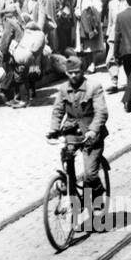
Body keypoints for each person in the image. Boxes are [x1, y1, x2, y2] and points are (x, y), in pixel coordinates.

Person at [46, 57, 109, 228]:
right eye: (70, 73)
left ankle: (98, 205)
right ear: (66, 73)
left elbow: (101, 112)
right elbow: (58, 110)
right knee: (67, 159)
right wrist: (53, 129)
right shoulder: (63, 89)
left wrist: (93, 130)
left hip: (91, 133)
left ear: (83, 72)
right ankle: (72, 193)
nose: (74, 76)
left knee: (90, 174)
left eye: (77, 72)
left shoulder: (94, 87)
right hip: (72, 131)